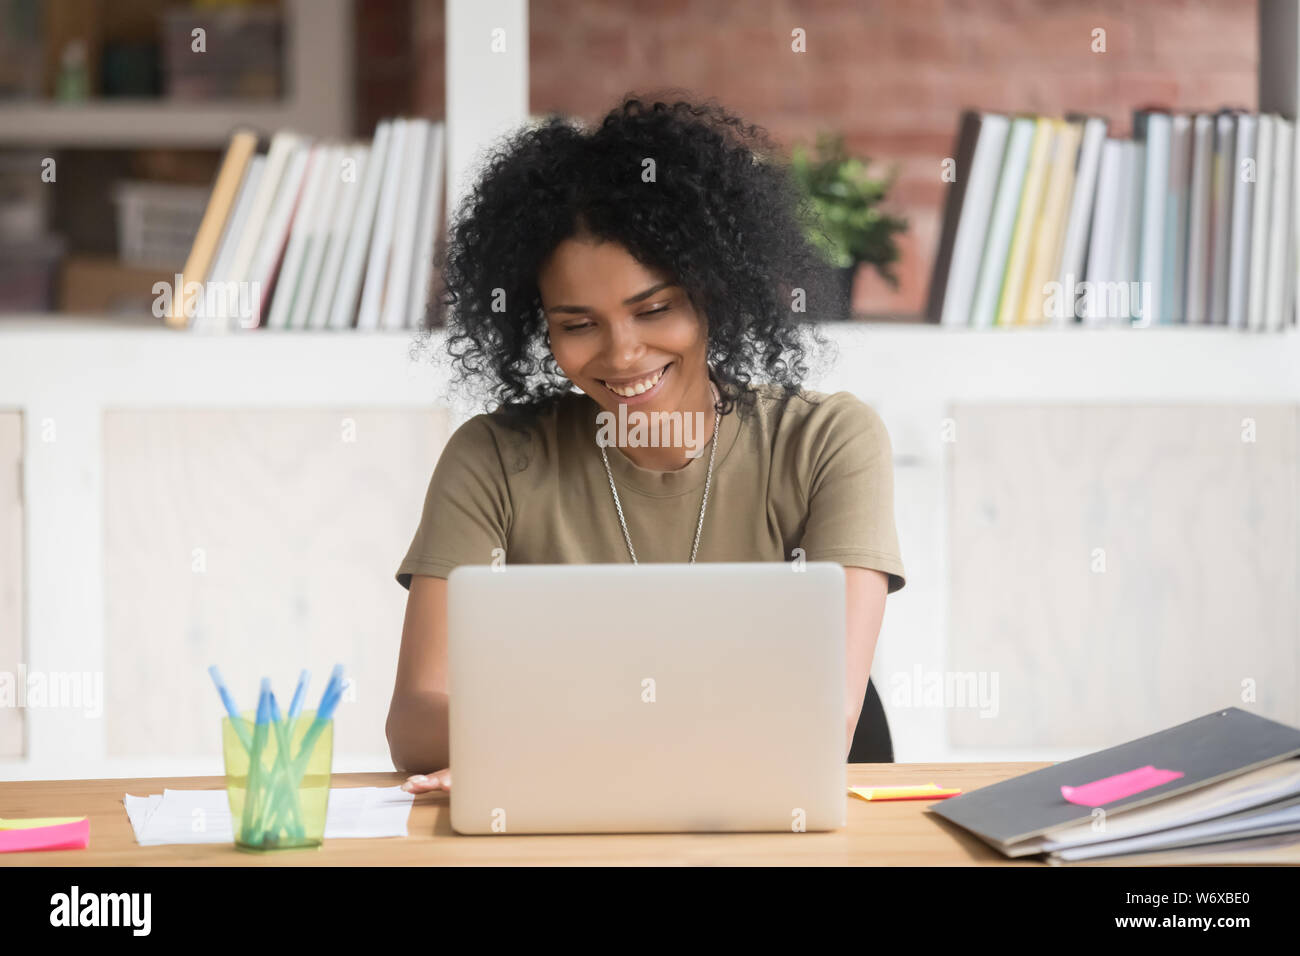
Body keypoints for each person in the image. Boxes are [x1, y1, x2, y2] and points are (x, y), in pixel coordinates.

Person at [387, 93, 906, 794]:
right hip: (571, 829)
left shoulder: (826, 442)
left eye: (654, 309)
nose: (623, 354)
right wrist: (626, 753)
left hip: (778, 826)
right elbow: (416, 723)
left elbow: (824, 719)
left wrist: (543, 748)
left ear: (713, 293)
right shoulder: (495, 460)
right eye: (578, 324)